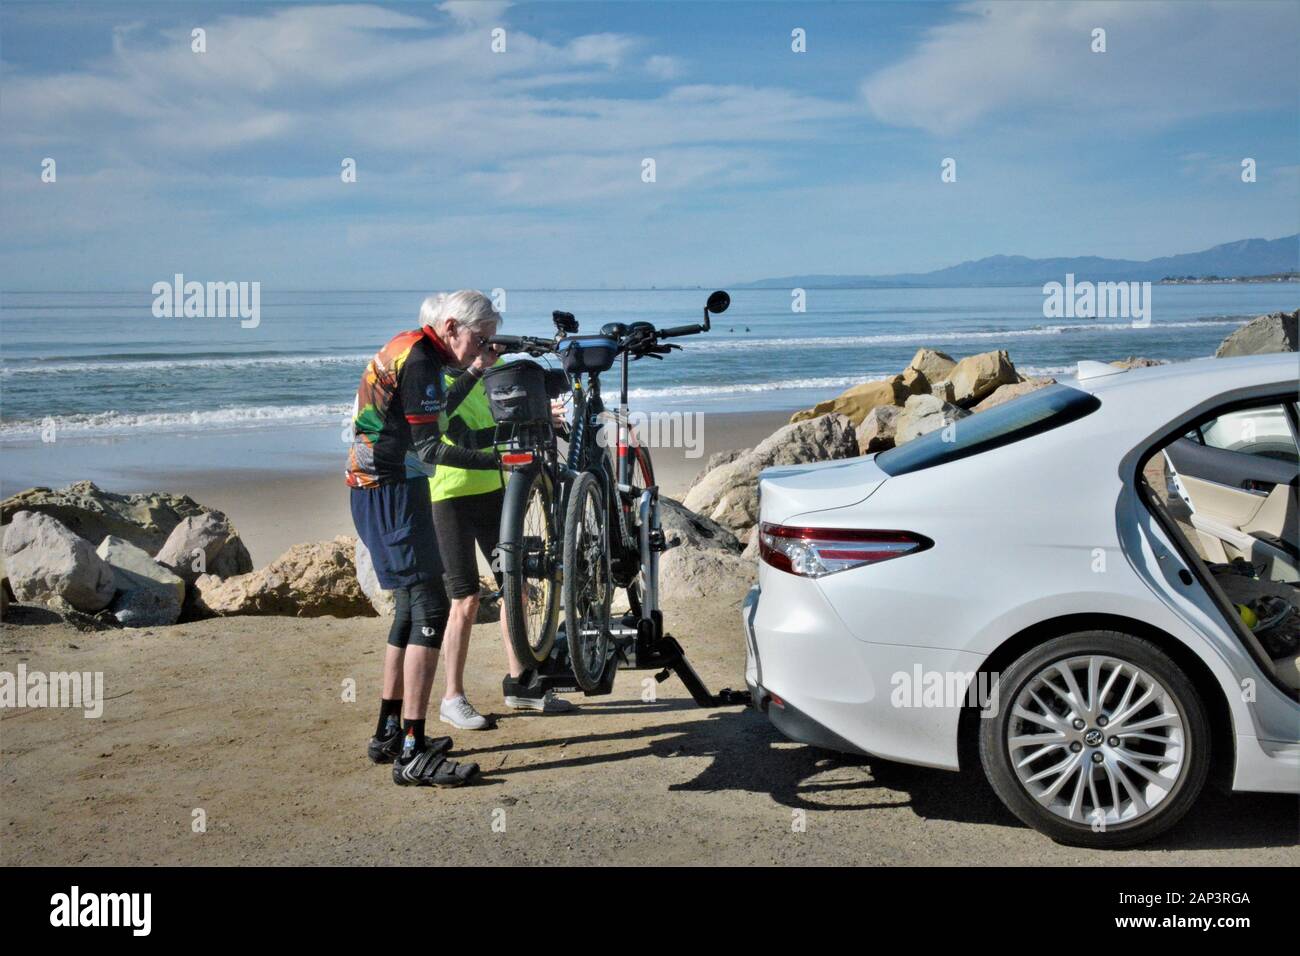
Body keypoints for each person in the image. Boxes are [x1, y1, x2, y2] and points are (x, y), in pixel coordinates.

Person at [346, 290, 502, 787]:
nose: (482, 350)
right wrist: (500, 461)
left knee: (412, 609)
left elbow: (431, 415)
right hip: (389, 489)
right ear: (453, 326)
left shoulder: (418, 348)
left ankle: (390, 731)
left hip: (382, 487)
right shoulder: (418, 359)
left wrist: (475, 371)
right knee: (432, 608)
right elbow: (432, 446)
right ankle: (413, 751)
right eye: (480, 341)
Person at [429, 360, 575, 731]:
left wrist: (545, 414)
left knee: (517, 589)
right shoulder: (445, 383)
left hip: (494, 492)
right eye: (482, 338)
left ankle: (521, 683)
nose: (488, 348)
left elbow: (508, 420)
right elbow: (460, 437)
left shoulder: (495, 373)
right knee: (465, 599)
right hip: (449, 496)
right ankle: (452, 697)